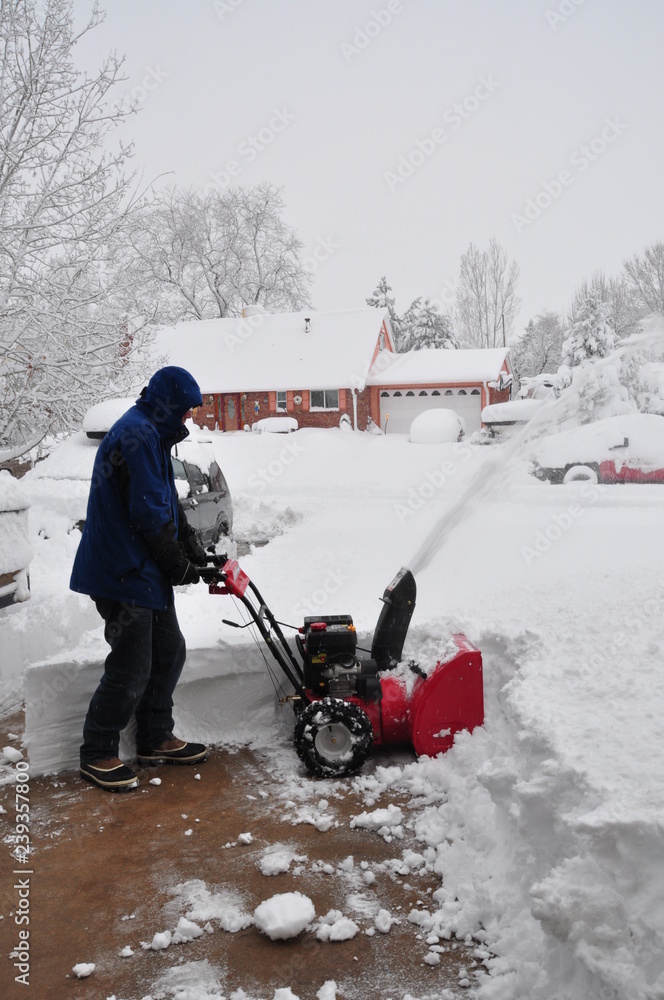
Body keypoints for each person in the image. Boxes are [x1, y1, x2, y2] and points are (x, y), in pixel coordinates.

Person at [70, 366, 210, 792]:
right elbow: (148, 515)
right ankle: (97, 752)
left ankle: (154, 738)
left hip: (142, 569)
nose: (189, 417)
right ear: (169, 404)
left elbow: (166, 501)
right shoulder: (139, 434)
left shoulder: (152, 432)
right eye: (186, 409)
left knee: (170, 652)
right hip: (121, 569)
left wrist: (192, 548)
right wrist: (177, 565)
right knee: (132, 665)